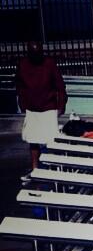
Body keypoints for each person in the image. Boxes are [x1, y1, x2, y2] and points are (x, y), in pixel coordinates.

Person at [15, 39, 67, 173]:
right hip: (32, 108)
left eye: (39, 52)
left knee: (51, 140)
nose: (37, 55)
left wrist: (61, 105)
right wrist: (22, 103)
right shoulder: (23, 65)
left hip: (48, 107)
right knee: (33, 140)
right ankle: (35, 168)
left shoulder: (49, 64)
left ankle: (54, 168)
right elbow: (20, 86)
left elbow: (60, 86)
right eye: (34, 53)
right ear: (29, 53)